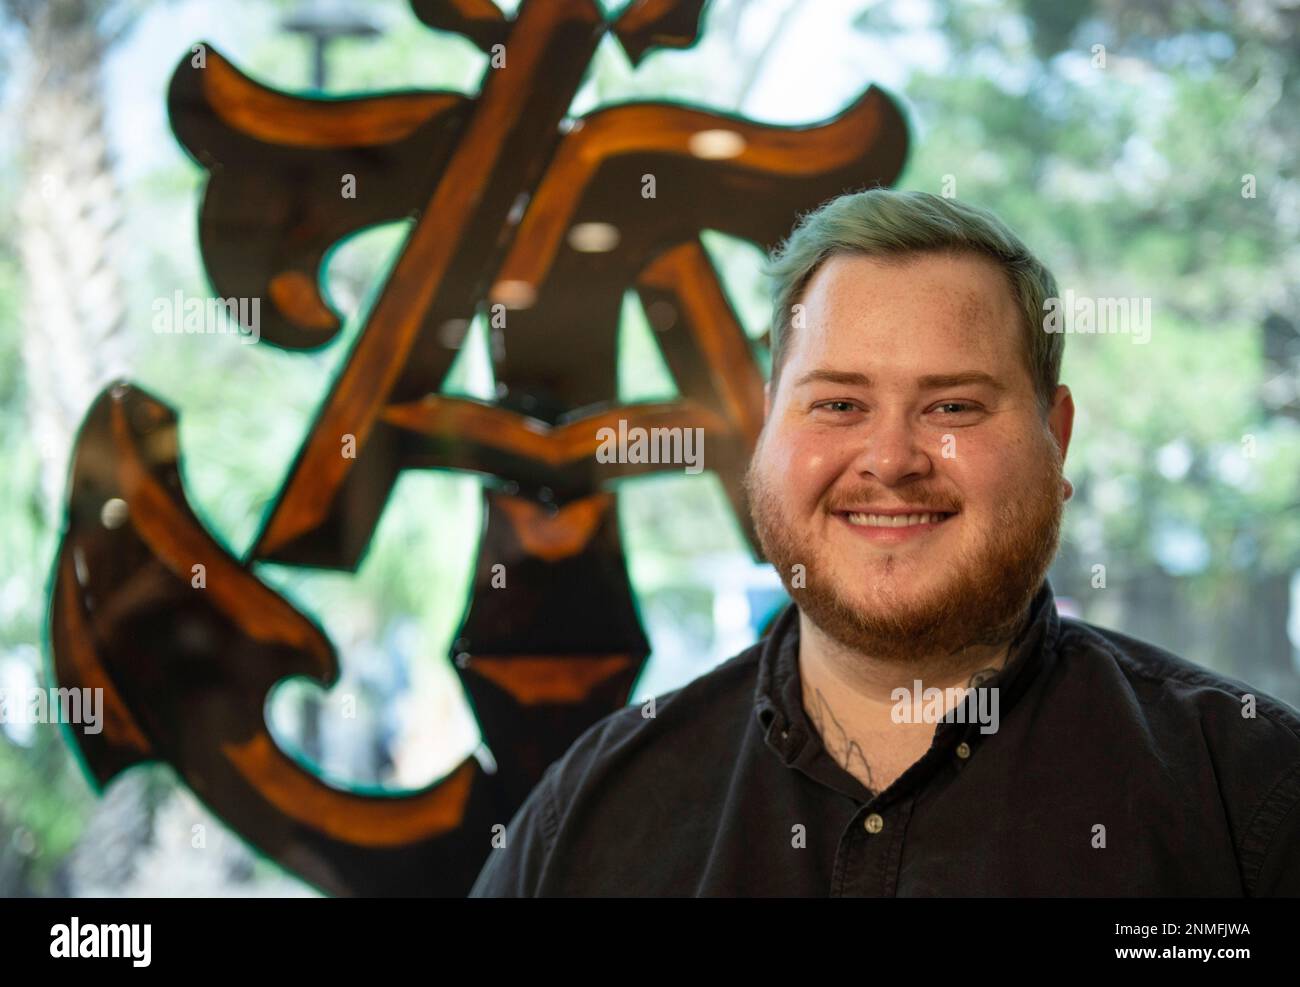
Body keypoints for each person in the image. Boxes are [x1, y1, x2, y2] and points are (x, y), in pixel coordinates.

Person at [468, 188, 1300, 896]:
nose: (892, 460)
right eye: (838, 404)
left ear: (1058, 438)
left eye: (954, 406)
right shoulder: (584, 819)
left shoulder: (1253, 796)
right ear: (768, 428)